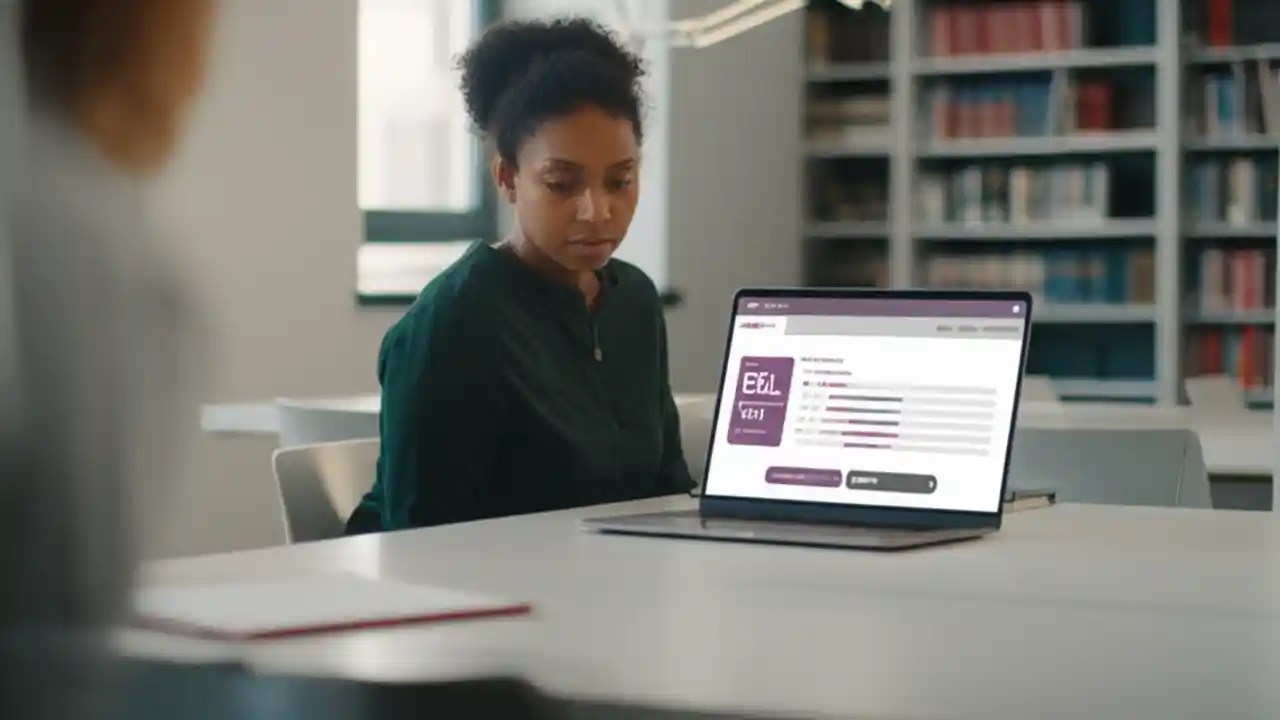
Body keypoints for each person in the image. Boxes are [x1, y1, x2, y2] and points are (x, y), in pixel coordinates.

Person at [347, 18, 693, 534]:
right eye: (561, 184)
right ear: (507, 177)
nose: (597, 210)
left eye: (621, 180)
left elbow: (665, 493)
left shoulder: (635, 301)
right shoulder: (455, 322)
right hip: (466, 600)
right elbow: (422, 539)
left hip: (607, 593)